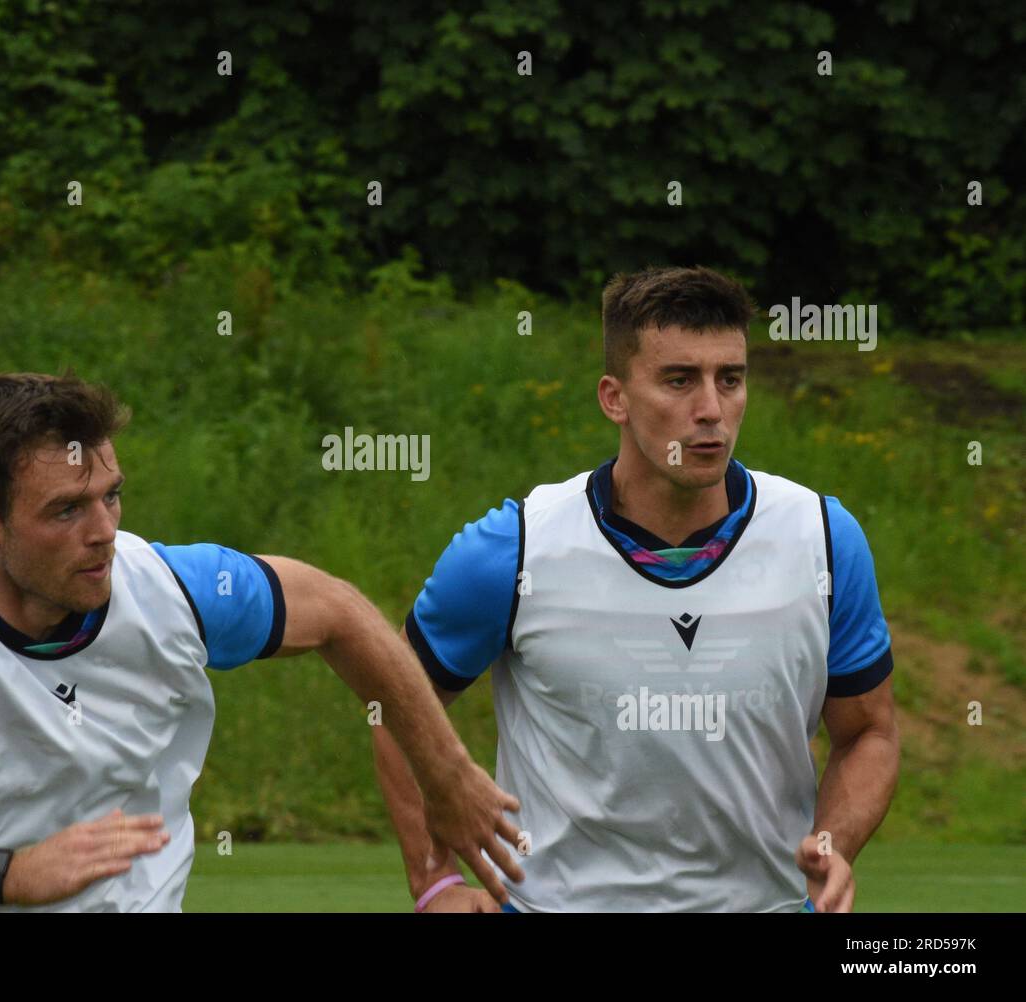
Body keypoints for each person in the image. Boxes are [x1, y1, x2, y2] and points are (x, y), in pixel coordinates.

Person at [0, 370, 520, 912]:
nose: (103, 532)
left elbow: (338, 612)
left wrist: (447, 774)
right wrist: (10, 875)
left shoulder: (169, 587)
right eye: (66, 510)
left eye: (111, 495)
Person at [373, 265, 900, 913]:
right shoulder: (515, 549)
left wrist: (832, 840)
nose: (710, 409)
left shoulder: (821, 538)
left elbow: (868, 733)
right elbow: (393, 702)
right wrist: (435, 882)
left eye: (729, 380)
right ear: (614, 397)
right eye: (679, 380)